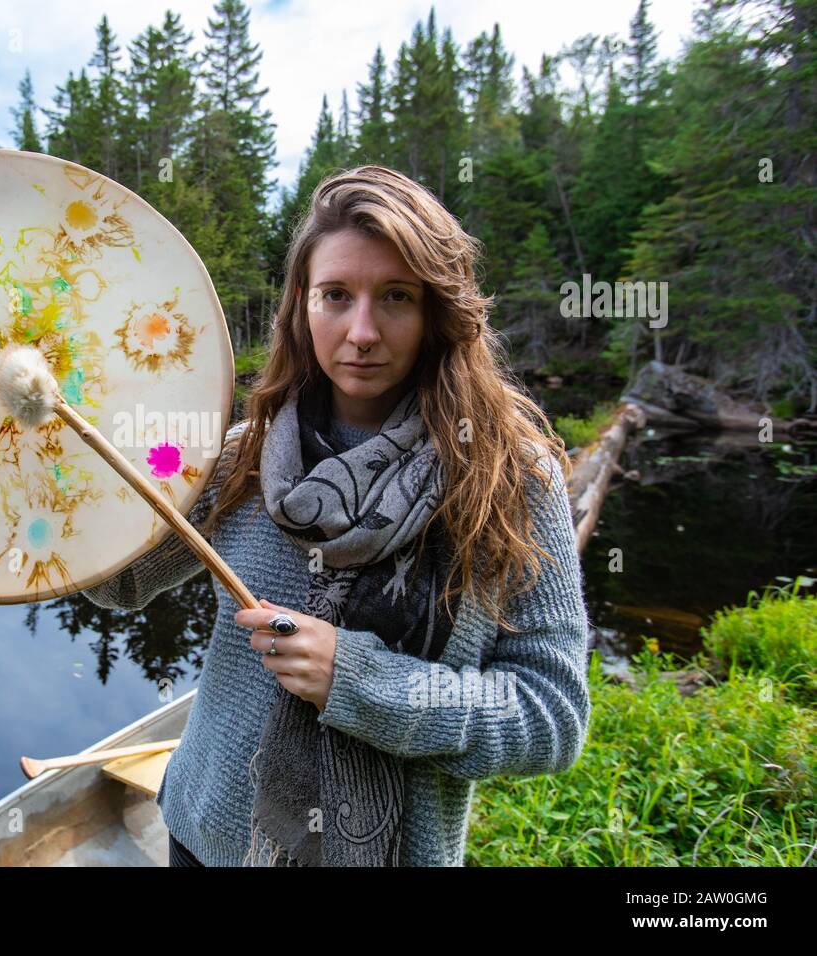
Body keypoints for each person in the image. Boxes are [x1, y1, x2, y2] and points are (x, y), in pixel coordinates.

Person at [82, 165, 591, 867]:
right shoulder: (241, 458)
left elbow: (551, 718)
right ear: (302, 303)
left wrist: (359, 681)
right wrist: (64, 475)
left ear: (437, 311)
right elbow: (119, 584)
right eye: (336, 296)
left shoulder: (510, 479)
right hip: (201, 837)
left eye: (396, 297)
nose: (361, 331)